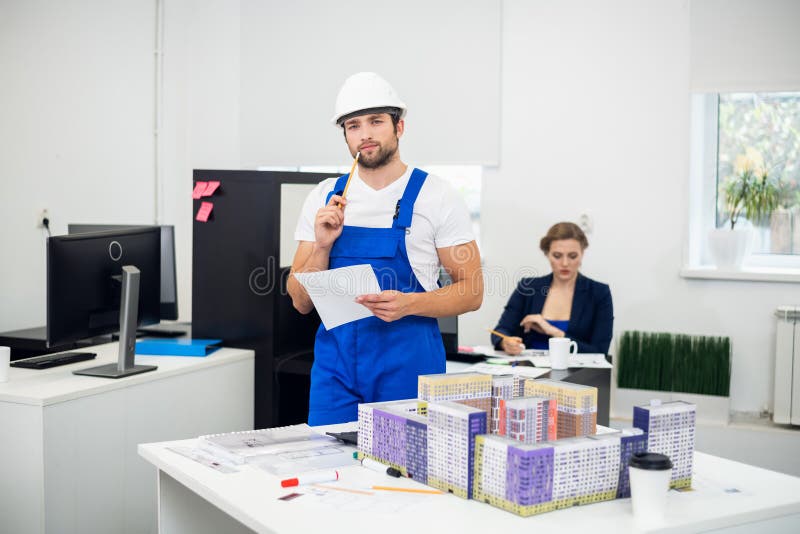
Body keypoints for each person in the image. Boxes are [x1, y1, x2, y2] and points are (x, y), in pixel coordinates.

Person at [288, 72, 483, 425]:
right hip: (336, 370)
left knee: (403, 475)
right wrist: (320, 246)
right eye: (353, 125)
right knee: (326, 471)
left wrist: (410, 303)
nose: (365, 134)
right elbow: (300, 302)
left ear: (399, 128)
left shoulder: (437, 197)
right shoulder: (323, 197)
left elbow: (473, 292)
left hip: (407, 367)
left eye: (376, 121)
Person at [491, 222, 613, 355]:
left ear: (582, 253)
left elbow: (600, 351)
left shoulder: (599, 293)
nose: (565, 263)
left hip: (576, 373)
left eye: (572, 256)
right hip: (528, 371)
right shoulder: (528, 287)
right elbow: (500, 331)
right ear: (547, 254)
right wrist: (506, 342)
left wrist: (553, 331)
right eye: (557, 256)